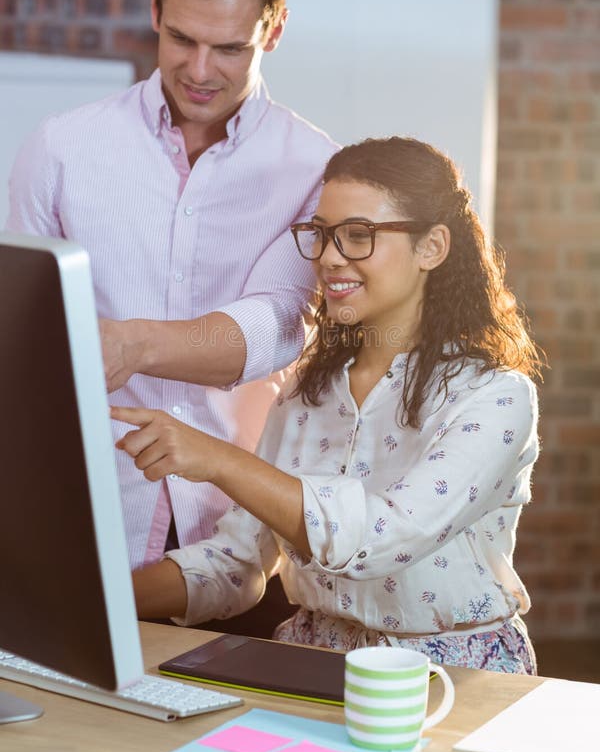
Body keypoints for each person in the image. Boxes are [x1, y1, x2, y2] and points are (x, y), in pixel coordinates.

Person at [112, 136, 544, 674]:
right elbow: (234, 565)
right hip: (309, 663)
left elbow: (381, 538)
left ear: (432, 247)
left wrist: (219, 460)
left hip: (453, 677)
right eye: (320, 235)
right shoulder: (305, 392)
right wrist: (86, 605)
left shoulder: (495, 397)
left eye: (358, 235)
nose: (330, 257)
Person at [6, 0, 338, 575]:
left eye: (229, 48)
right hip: (83, 509)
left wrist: (129, 343)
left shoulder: (316, 168)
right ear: (155, 9)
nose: (200, 70)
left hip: (232, 532)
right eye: (182, 38)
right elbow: (19, 339)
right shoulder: (62, 149)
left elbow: (279, 324)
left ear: (273, 31)